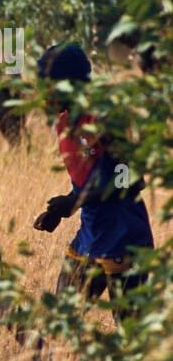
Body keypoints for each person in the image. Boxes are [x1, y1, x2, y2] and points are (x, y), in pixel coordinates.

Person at [32, 44, 153, 315]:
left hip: (125, 237)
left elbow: (131, 180)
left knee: (130, 335)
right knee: (63, 319)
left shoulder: (104, 117)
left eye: (47, 85)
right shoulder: (65, 124)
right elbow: (92, 180)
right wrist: (64, 208)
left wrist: (75, 201)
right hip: (91, 234)